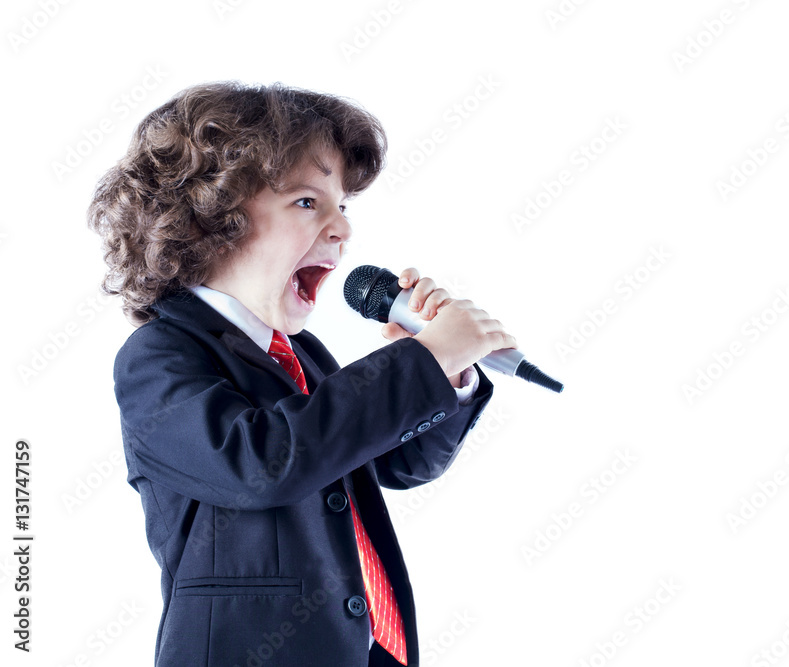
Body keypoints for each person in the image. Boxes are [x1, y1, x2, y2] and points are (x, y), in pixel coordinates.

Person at [87, 80, 515, 666]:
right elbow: (262, 462)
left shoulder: (305, 354)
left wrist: (451, 372)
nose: (342, 228)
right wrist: (421, 362)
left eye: (344, 207)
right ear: (214, 218)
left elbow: (401, 463)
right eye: (309, 202)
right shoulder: (159, 355)